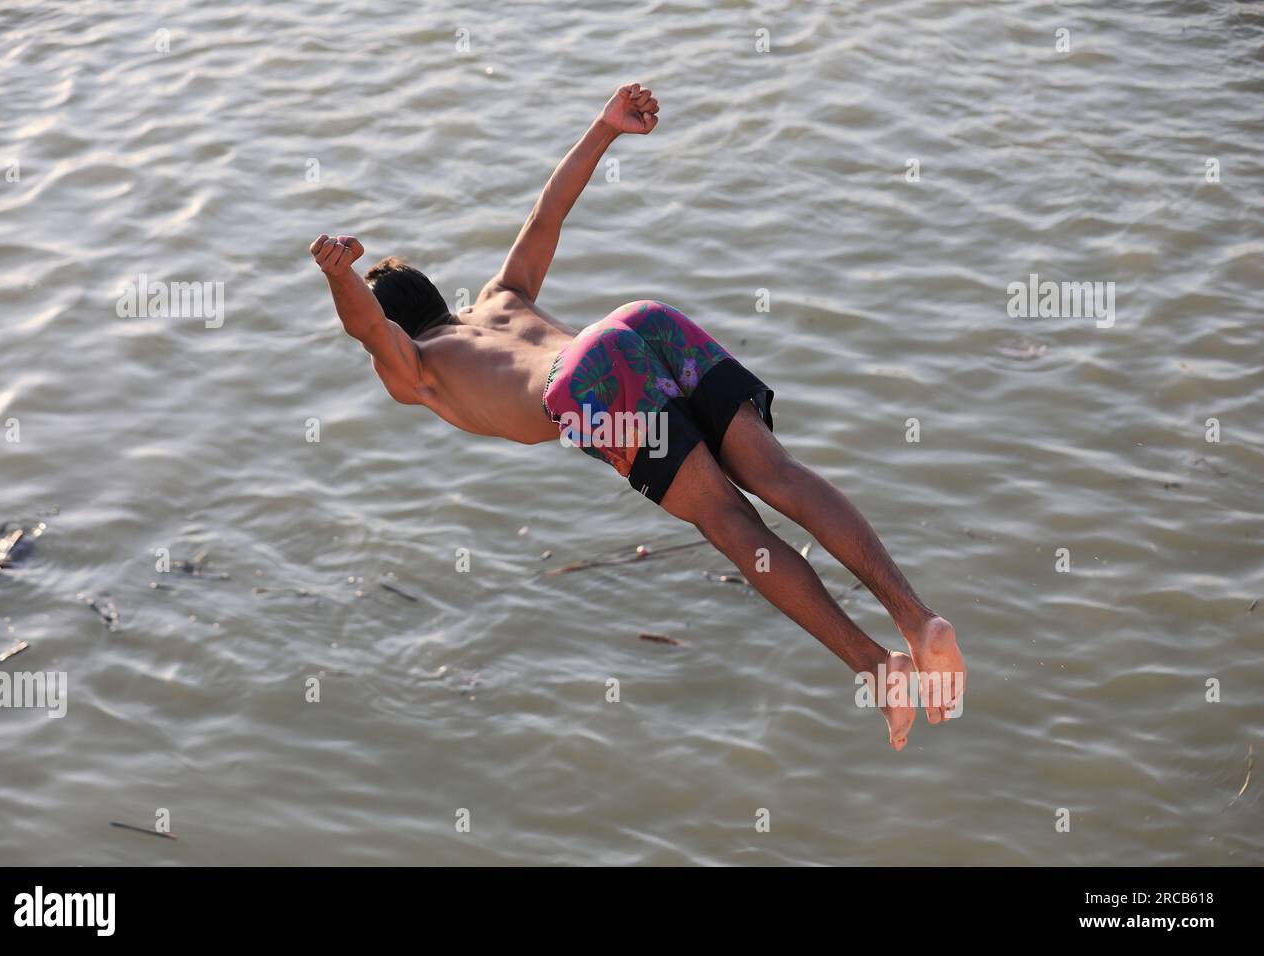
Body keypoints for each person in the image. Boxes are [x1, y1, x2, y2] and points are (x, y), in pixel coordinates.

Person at [309, 83, 964, 750]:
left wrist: (339, 277)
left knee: (726, 517)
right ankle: (917, 619)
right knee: (781, 474)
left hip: (590, 380)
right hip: (637, 321)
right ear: (432, 293)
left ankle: (877, 667)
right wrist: (604, 127)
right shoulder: (499, 297)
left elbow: (369, 332)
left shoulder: (418, 368)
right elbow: (545, 217)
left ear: (399, 323)